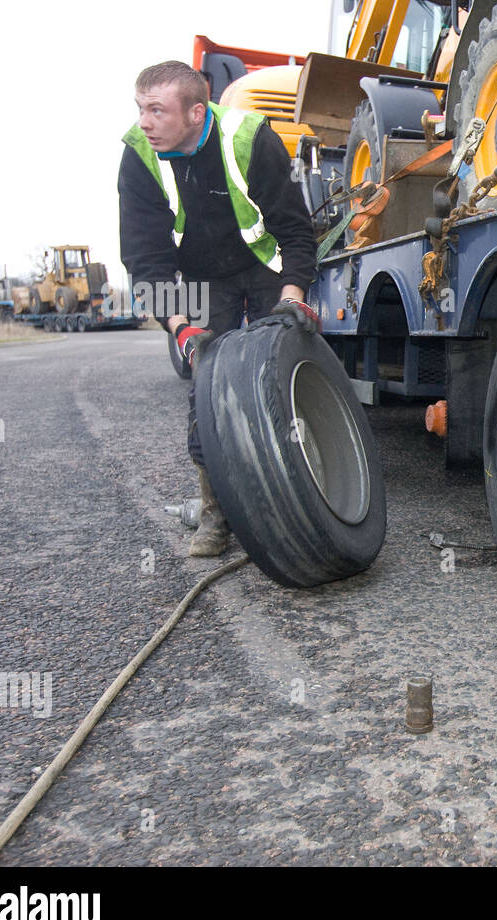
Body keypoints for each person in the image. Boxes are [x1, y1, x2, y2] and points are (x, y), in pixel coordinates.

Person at [119, 60, 321, 557]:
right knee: (206, 388)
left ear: (194, 112)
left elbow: (295, 230)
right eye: (140, 108)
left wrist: (294, 295)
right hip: (205, 277)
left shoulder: (249, 137)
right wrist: (181, 328)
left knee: (286, 373)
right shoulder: (139, 155)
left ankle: (311, 501)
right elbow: (146, 258)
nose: (144, 122)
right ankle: (217, 515)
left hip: (264, 263)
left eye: (156, 111)